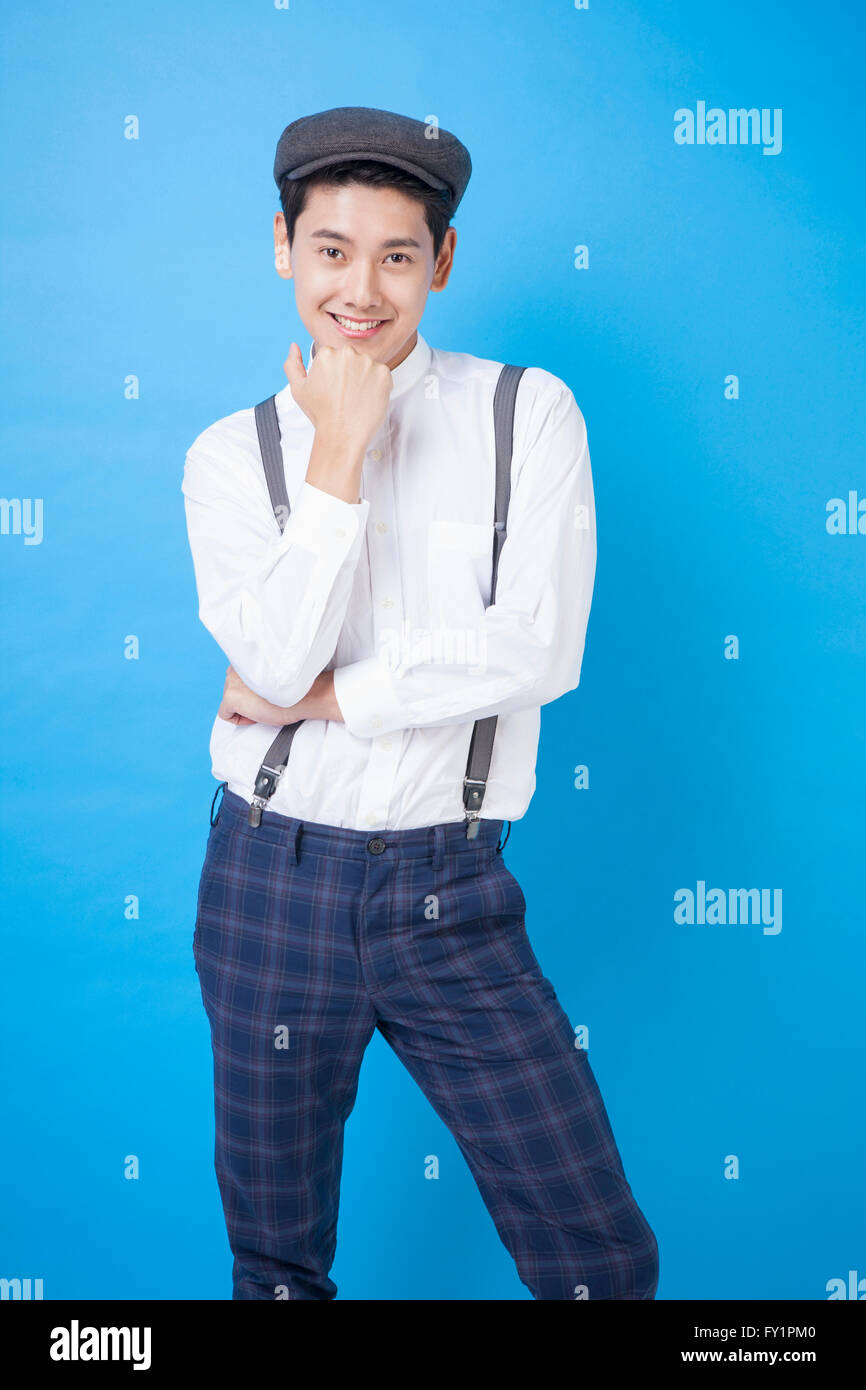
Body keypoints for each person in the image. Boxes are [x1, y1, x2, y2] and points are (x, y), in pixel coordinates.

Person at [182, 105, 659, 1301]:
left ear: (440, 264)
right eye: (332, 248)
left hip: (452, 890)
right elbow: (272, 664)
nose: (362, 287)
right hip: (267, 883)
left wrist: (325, 697)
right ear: (281, 246)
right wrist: (337, 455)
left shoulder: (524, 414)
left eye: (397, 255)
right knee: (277, 1265)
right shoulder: (228, 458)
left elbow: (537, 649)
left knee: (598, 1254)